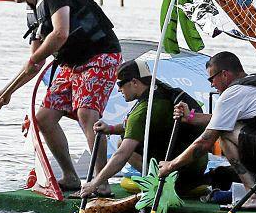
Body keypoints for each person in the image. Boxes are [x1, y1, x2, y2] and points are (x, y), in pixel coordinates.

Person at [0, 0, 122, 193]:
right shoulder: (32, 12)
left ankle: (102, 182)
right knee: (42, 118)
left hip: (100, 55)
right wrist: (7, 91)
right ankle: (71, 177)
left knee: (86, 113)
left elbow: (60, 34)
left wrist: (33, 59)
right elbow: (35, 63)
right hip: (71, 64)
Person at [159, 52, 256, 208]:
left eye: (211, 78)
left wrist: (170, 166)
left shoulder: (233, 93)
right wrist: (191, 118)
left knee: (223, 134)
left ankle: (253, 196)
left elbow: (205, 142)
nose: (211, 85)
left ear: (224, 74)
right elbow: (224, 119)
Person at [78, 59, 209, 199]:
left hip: (179, 173)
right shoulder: (166, 92)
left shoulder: (143, 110)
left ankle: (160, 183)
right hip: (198, 166)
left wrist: (94, 183)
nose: (118, 89)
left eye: (120, 83)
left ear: (135, 82)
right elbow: (137, 125)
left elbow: (122, 154)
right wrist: (110, 128)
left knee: (122, 143)